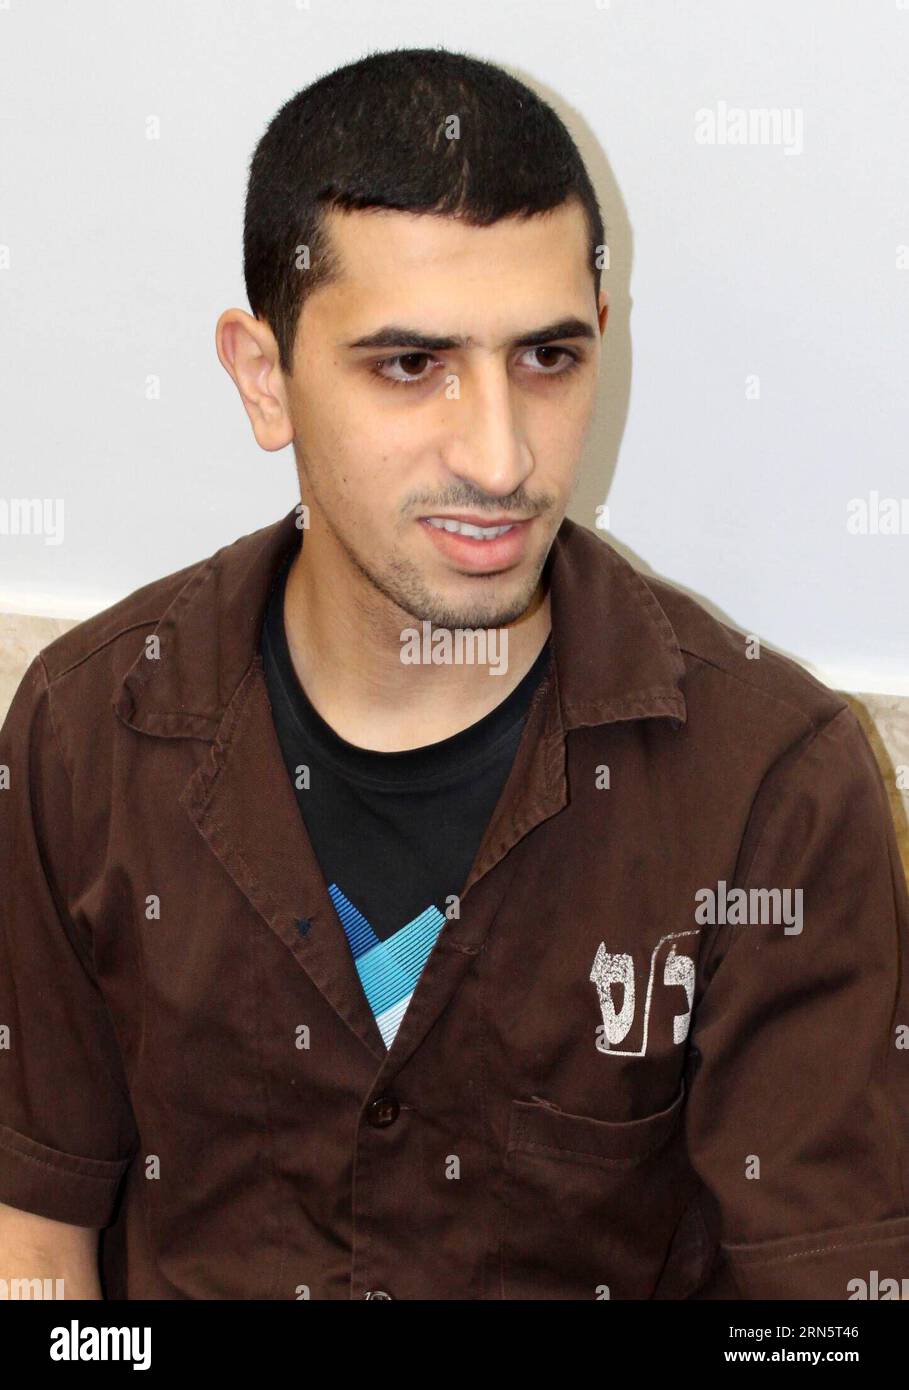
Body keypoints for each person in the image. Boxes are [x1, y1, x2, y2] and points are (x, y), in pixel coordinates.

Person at [1, 46, 907, 1302]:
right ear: (266, 378)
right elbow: (33, 1238)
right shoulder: (84, 731)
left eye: (546, 359)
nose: (500, 456)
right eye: (410, 365)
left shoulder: (774, 786)